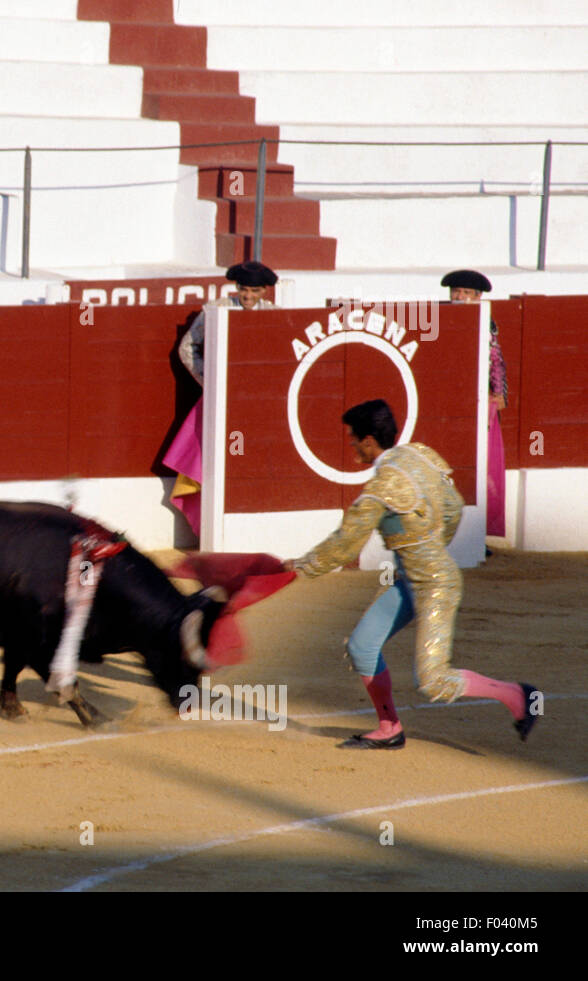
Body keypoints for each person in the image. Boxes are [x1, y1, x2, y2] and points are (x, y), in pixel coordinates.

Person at [283, 399, 541, 749]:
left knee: (434, 680)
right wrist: (430, 548)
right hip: (412, 579)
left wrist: (302, 566)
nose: (351, 445)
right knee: (362, 646)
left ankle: (517, 695)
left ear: (370, 441)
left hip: (435, 585)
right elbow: (452, 508)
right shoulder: (420, 456)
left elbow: (345, 546)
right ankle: (389, 728)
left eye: (353, 438)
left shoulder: (380, 490)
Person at [164, 261, 278, 535]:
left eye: (254, 291)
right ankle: (209, 527)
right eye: (243, 290)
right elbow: (187, 348)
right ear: (236, 287)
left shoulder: (274, 315)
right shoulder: (216, 309)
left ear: (264, 291)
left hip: (254, 403)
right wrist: (210, 381)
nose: (247, 297)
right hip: (220, 398)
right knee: (209, 458)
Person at [441, 269, 507, 542]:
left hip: (479, 404)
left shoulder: (486, 323)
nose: (460, 297)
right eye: (457, 291)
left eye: (467, 293)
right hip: (448, 405)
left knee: (484, 465)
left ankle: (476, 536)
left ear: (478, 297)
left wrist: (499, 392)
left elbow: (495, 360)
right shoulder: (440, 318)